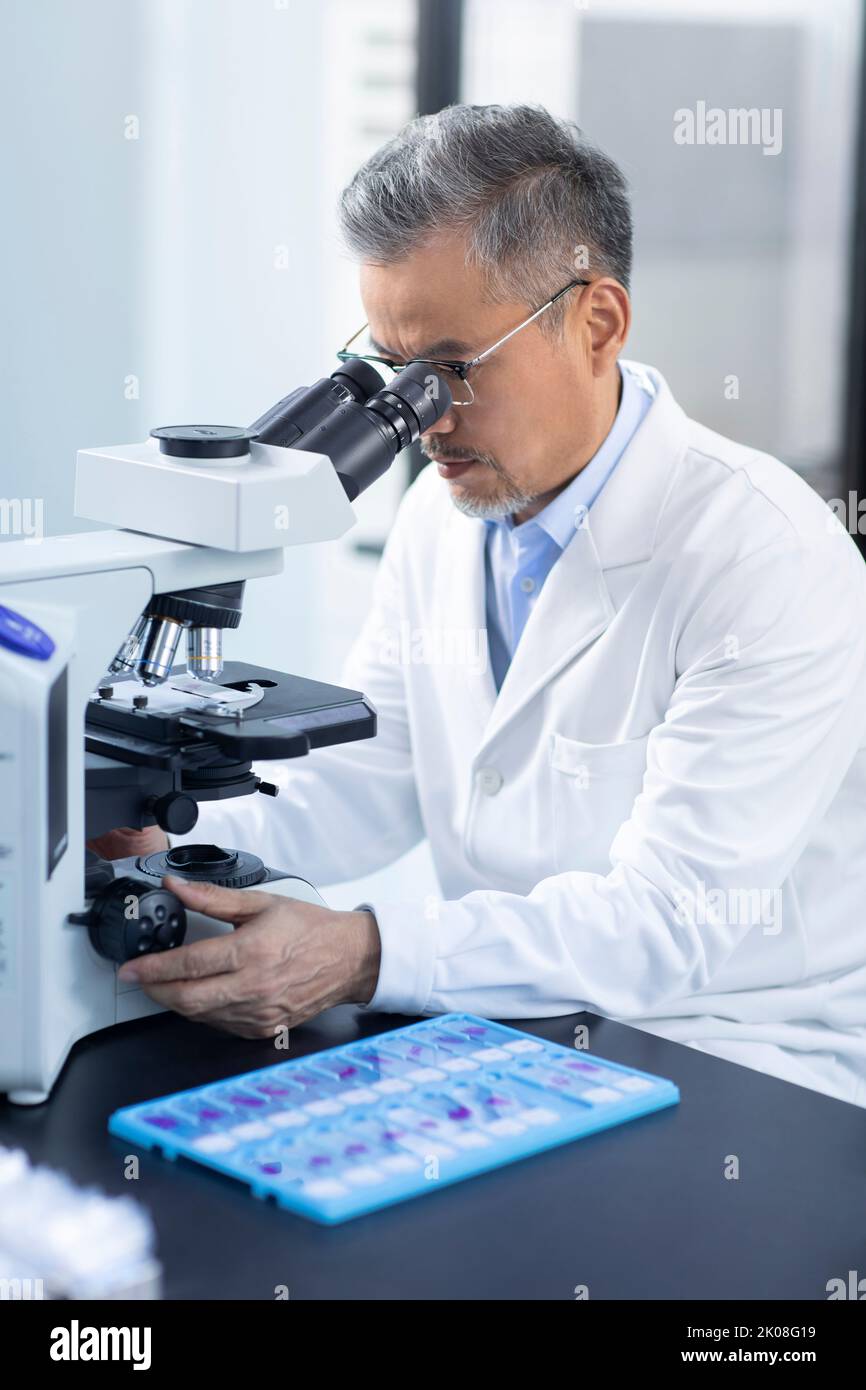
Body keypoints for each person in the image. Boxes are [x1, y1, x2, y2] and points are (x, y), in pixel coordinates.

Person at [91, 104, 866, 1108]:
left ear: (596, 323)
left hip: (743, 1057)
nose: (424, 421)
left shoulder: (765, 556)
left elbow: (670, 923)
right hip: (522, 1028)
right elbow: (367, 781)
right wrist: (163, 838)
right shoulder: (443, 516)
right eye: (394, 373)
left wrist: (365, 951)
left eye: (452, 370)